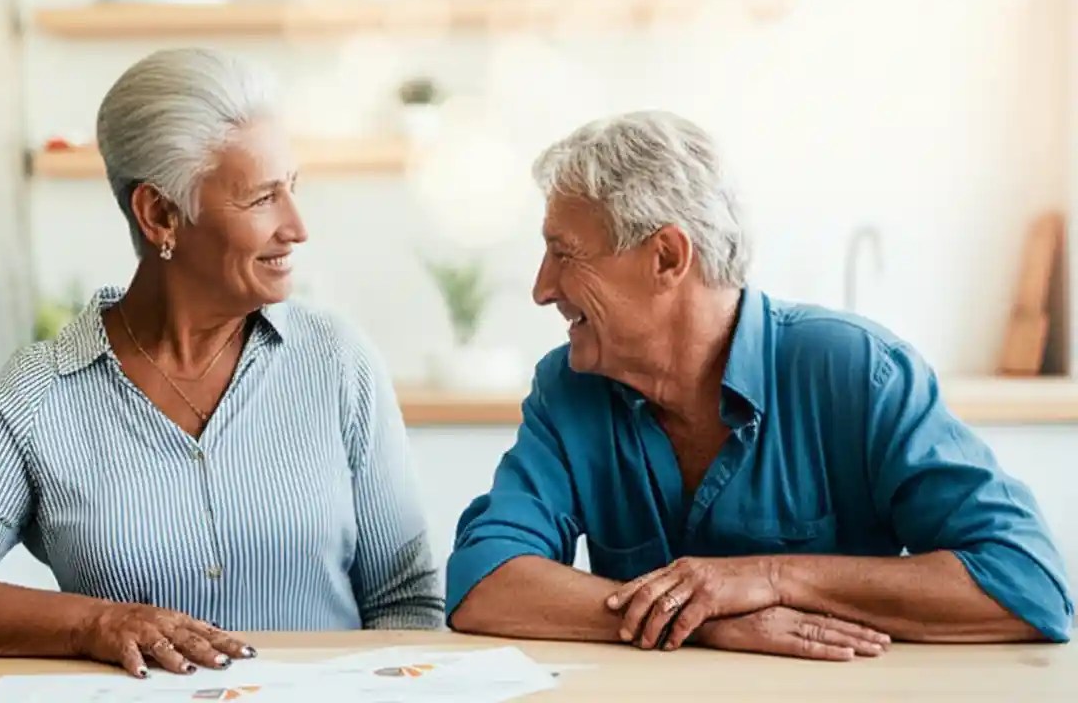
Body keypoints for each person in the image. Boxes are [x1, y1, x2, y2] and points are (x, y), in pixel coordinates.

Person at [0, 48, 443, 677]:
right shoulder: (40, 394)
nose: (297, 227)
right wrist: (96, 624)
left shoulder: (336, 362)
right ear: (160, 213)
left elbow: (404, 602)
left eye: (293, 188)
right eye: (262, 199)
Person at [445, 110, 1073, 660]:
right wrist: (701, 620)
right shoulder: (570, 387)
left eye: (565, 253)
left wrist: (772, 577)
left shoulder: (857, 370)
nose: (542, 288)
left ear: (666, 256)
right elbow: (482, 581)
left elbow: (1029, 585)